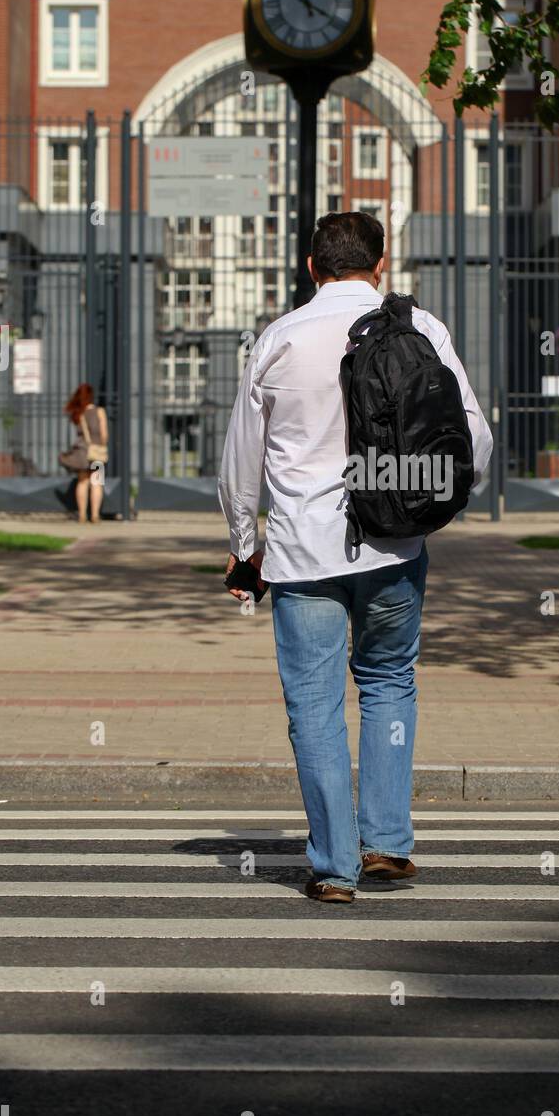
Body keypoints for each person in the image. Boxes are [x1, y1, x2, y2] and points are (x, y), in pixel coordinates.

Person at [218, 212, 492, 904]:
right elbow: (474, 439)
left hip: (302, 554)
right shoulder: (421, 331)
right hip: (395, 545)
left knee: (313, 705)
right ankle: (387, 845)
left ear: (311, 268)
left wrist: (244, 550)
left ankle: (334, 866)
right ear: (382, 263)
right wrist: (431, 508)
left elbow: (239, 465)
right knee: (389, 682)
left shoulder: (278, 340)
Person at [61, 384, 109, 524]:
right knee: (97, 483)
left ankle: (82, 515)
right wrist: (102, 446)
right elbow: (104, 434)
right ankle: (94, 515)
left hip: (82, 451)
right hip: (97, 452)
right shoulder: (99, 411)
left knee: (82, 482)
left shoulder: (79, 413)